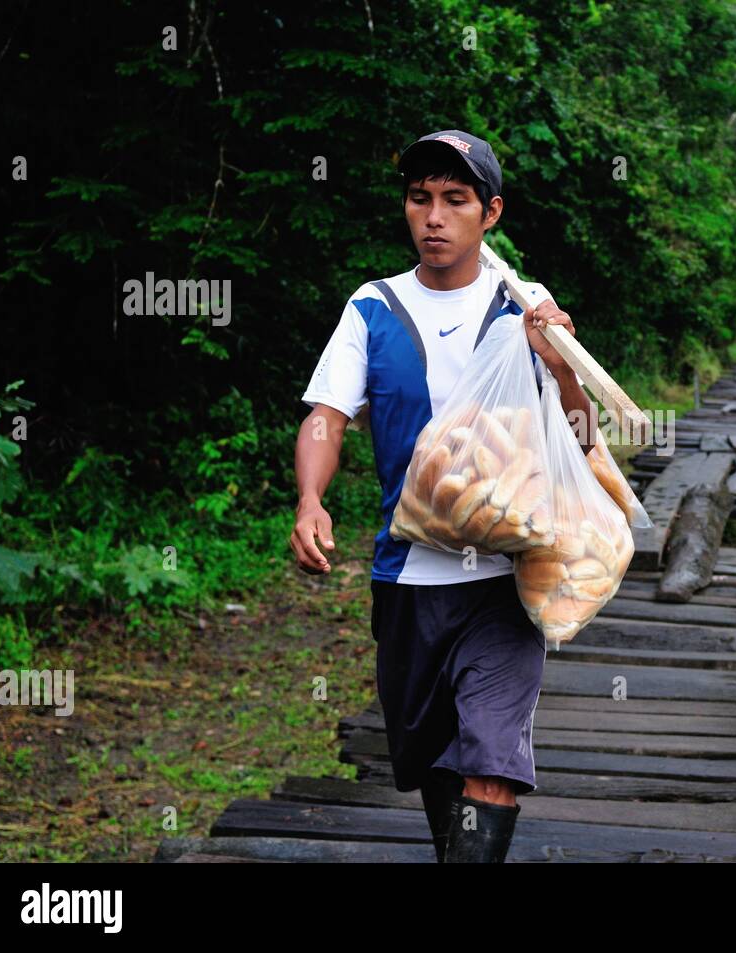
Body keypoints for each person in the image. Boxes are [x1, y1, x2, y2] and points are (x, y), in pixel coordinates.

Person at [289, 129, 594, 863]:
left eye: (455, 200)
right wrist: (310, 499)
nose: (434, 216)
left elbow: (581, 435)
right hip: (408, 581)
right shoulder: (373, 308)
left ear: (489, 212)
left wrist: (564, 368)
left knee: (490, 764)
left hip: (505, 579)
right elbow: (326, 416)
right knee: (437, 770)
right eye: (420, 198)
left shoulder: (525, 306)